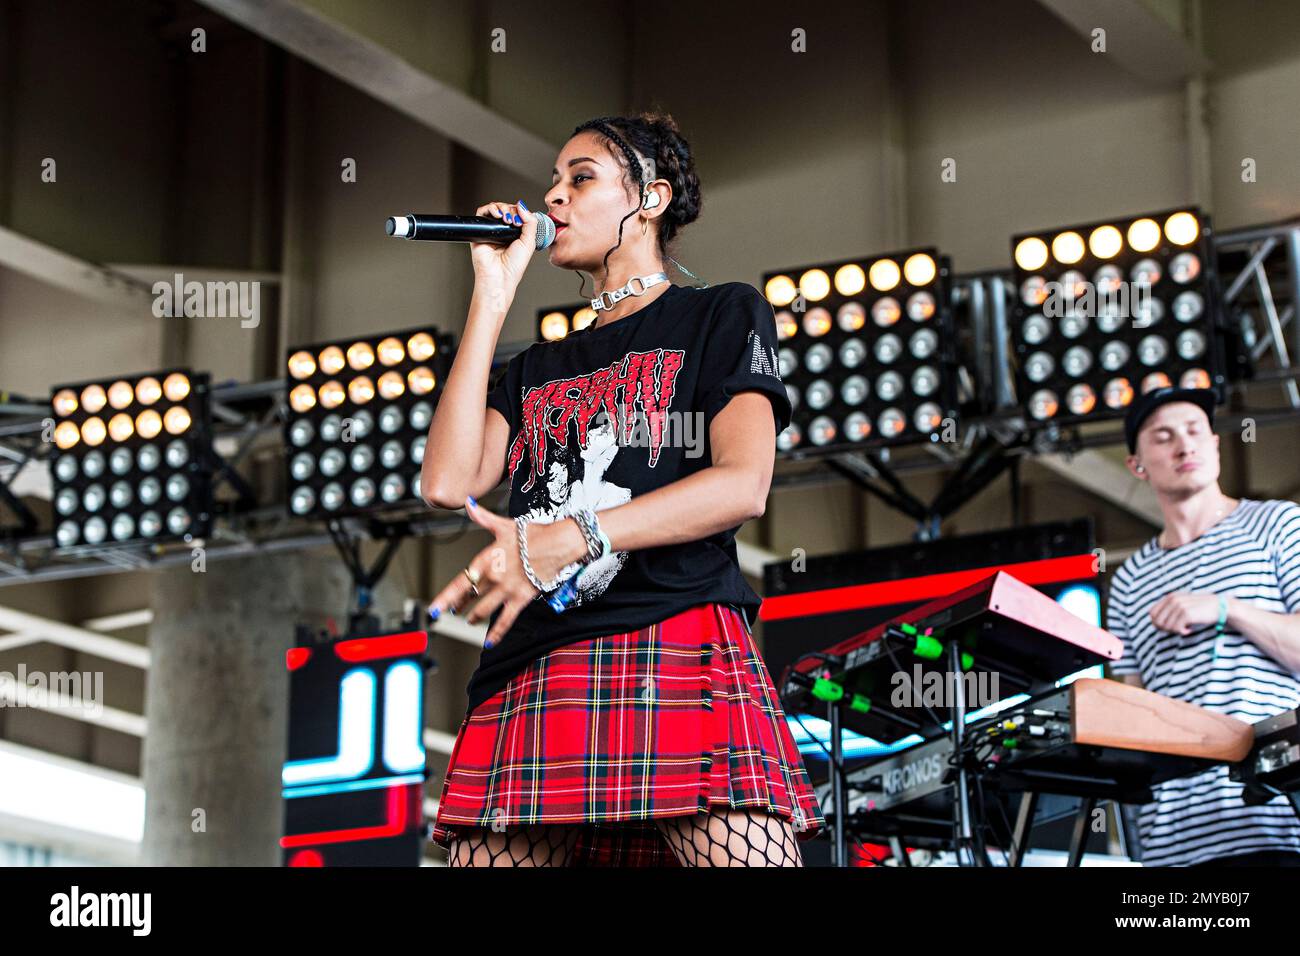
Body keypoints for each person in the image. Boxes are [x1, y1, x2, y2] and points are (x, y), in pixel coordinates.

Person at [418, 111, 825, 866]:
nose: (554, 199)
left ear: (651, 199)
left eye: (581, 179)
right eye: (553, 182)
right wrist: (491, 291)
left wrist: (576, 533)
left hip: (671, 634)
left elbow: (743, 485)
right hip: (536, 661)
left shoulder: (719, 314)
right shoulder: (533, 367)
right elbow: (446, 481)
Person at [1106, 385, 1300, 867]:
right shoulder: (1129, 579)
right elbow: (1132, 715)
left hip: (1273, 824)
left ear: (1215, 444)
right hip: (1170, 845)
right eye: (1164, 436)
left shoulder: (1278, 525)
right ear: (1137, 465)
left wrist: (1225, 608)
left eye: (1195, 431)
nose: (1184, 445)